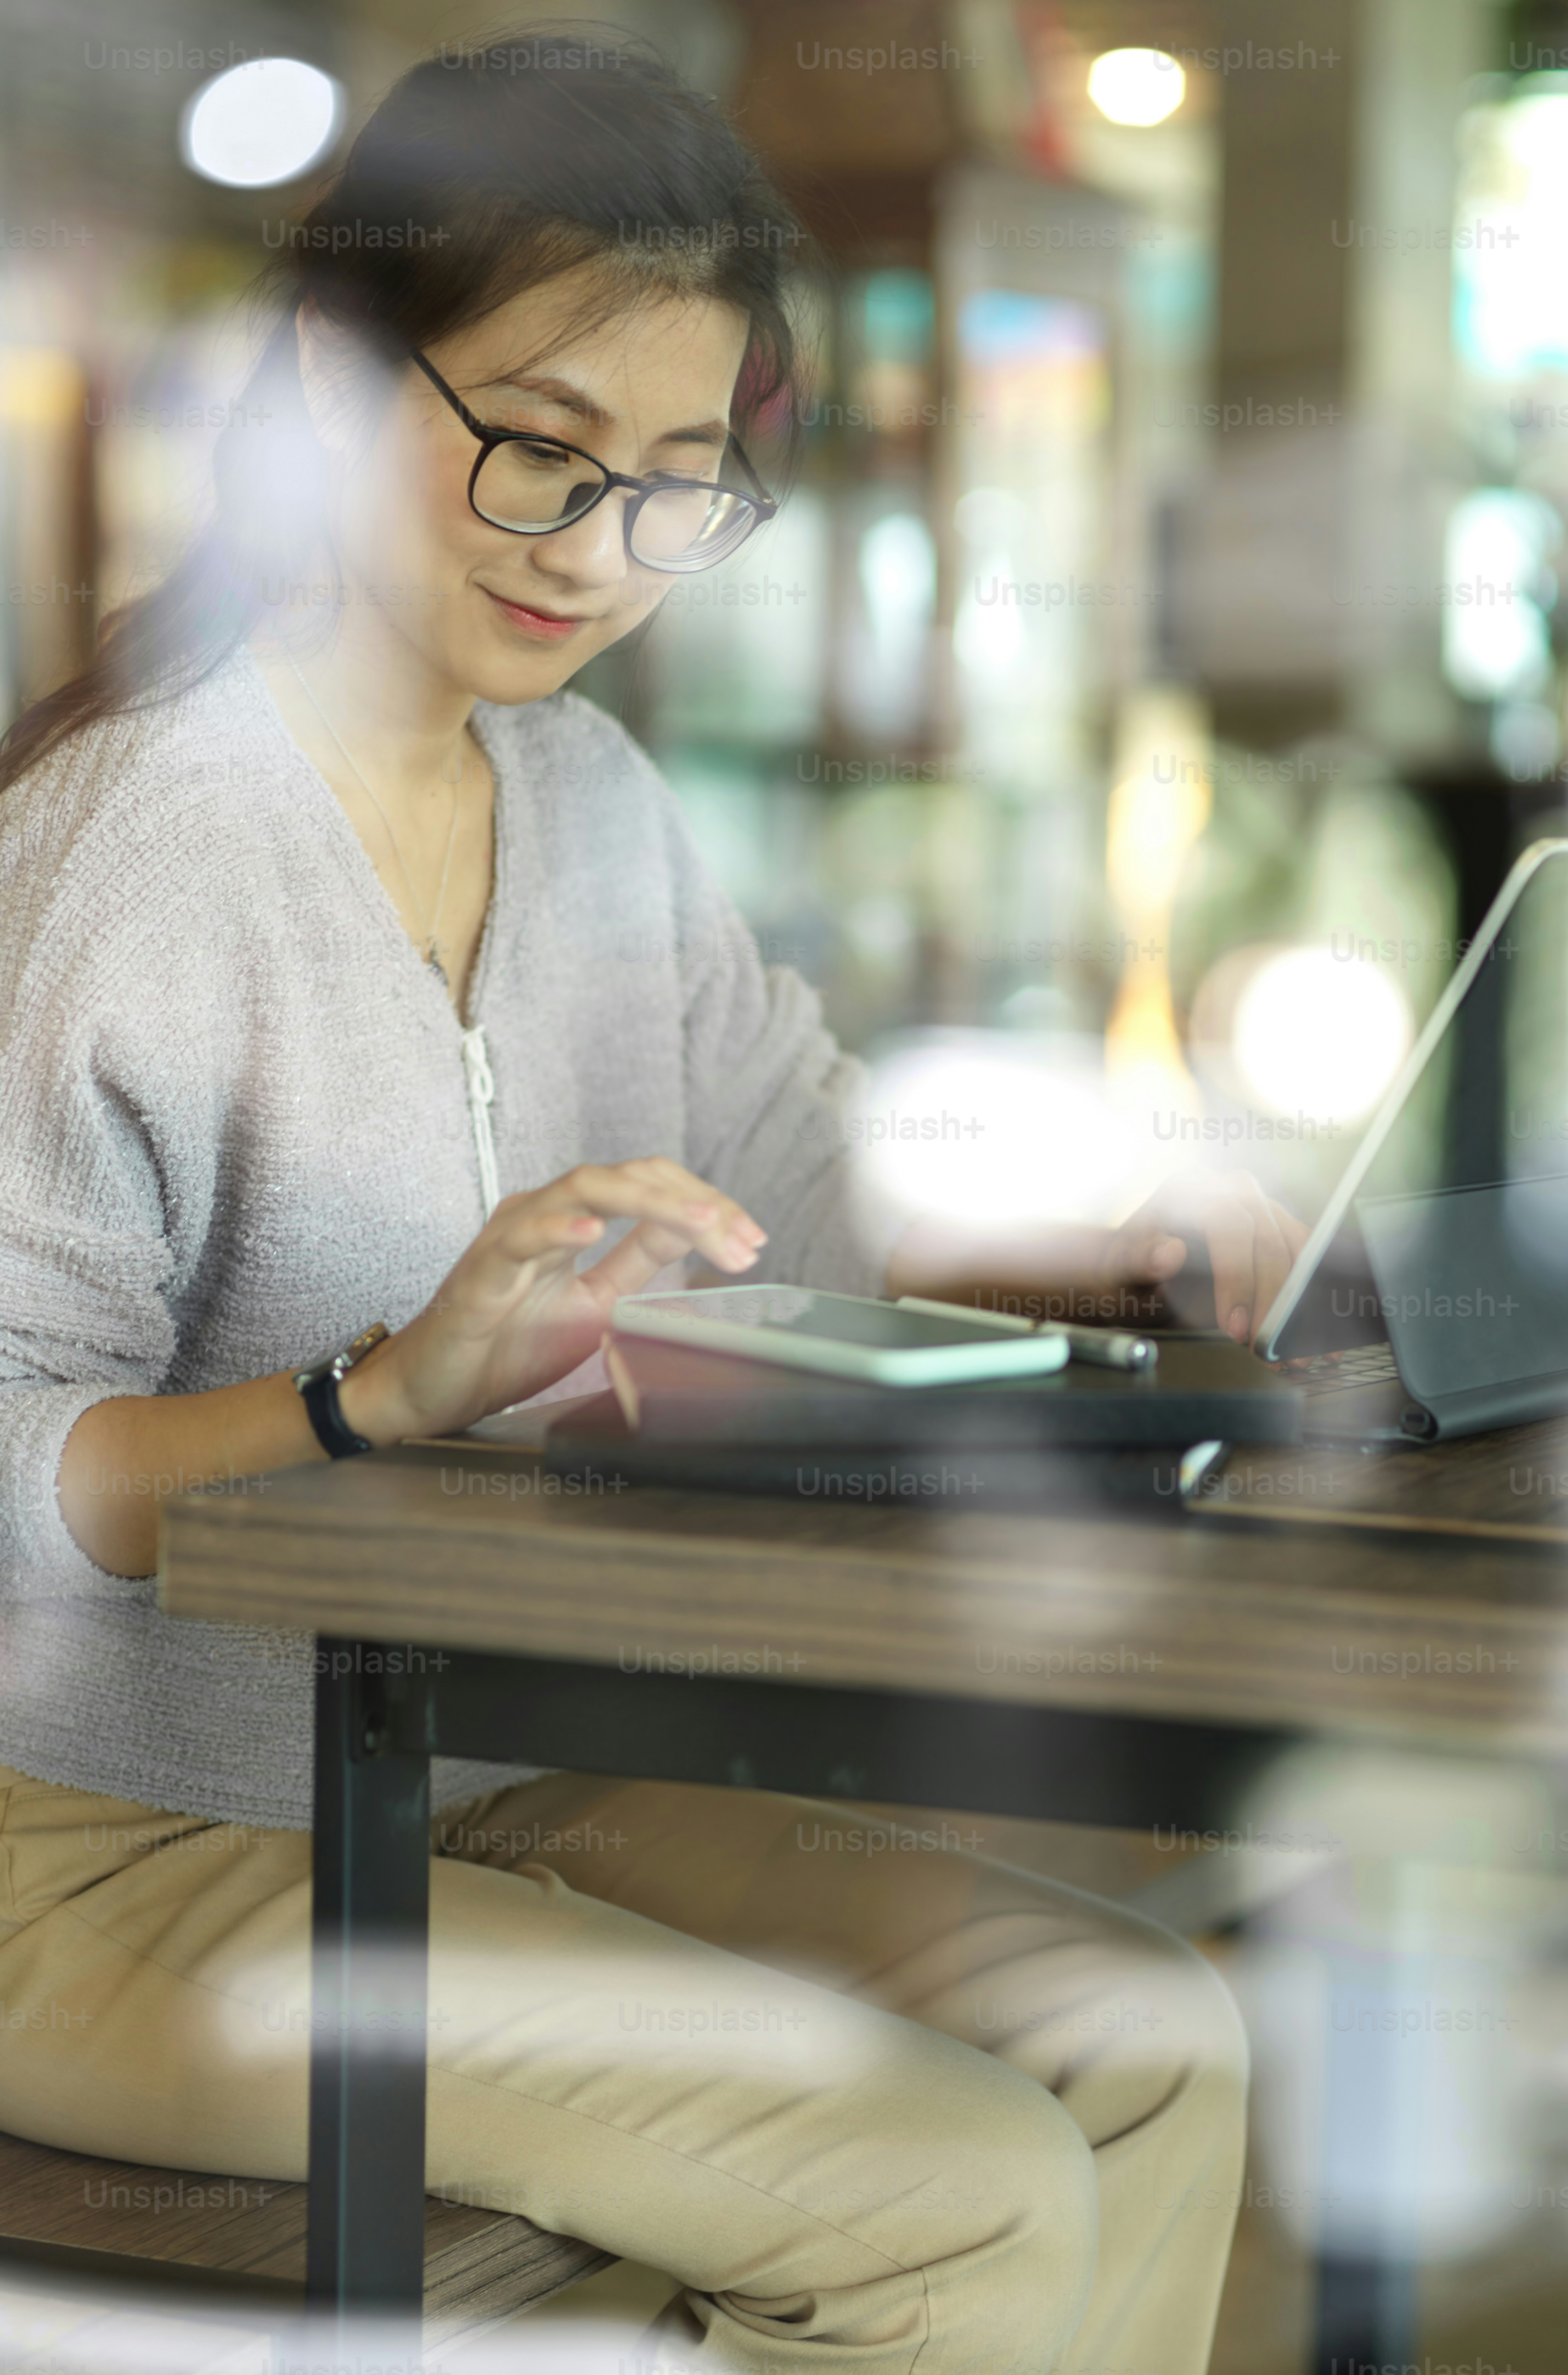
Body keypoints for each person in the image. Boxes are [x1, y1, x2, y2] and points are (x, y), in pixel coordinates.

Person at [0, 36, 1302, 2374]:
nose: (593, 551)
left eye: (673, 489)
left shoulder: (587, 798)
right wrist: (376, 1397)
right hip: (80, 1843)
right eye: (535, 447)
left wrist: (1095, 1261)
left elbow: (796, 1220)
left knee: (1151, 2041)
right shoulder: (137, 850)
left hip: (467, 1780)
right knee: (957, 2187)